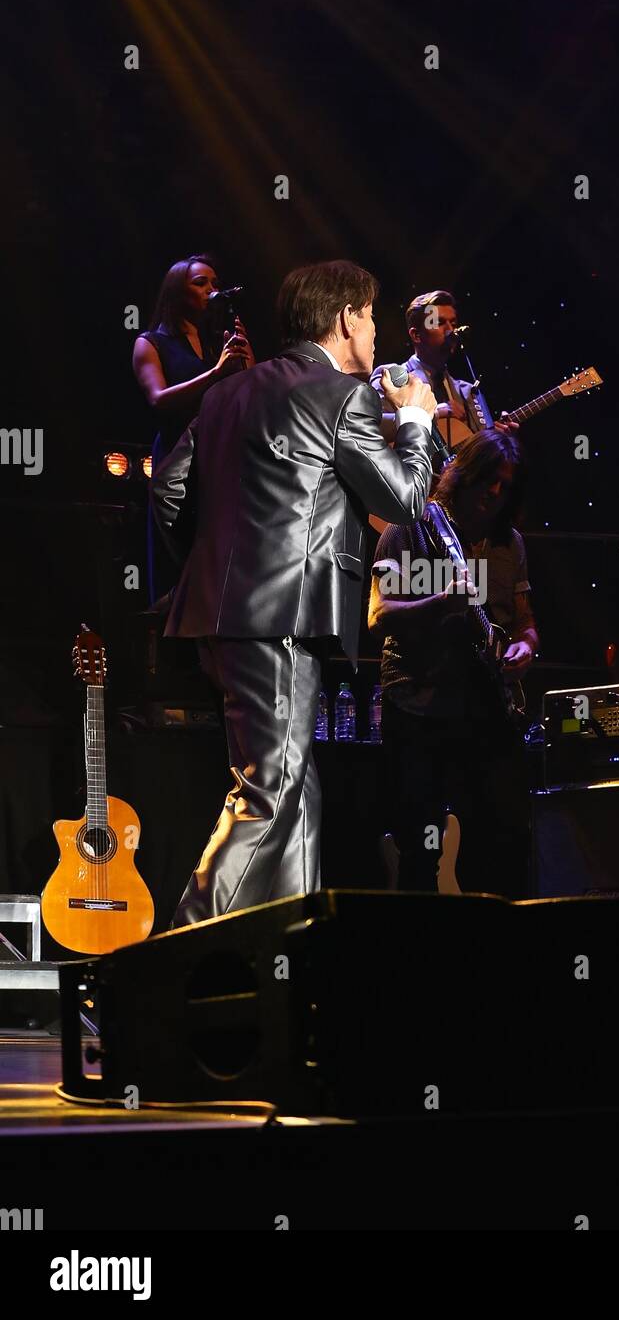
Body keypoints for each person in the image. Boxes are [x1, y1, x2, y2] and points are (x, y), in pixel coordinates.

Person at [151, 259, 437, 924]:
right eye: (369, 316)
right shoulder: (343, 394)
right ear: (345, 318)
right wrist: (418, 422)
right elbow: (404, 499)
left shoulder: (228, 393)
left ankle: (284, 962)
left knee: (296, 793)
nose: (374, 330)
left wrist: (211, 571)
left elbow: (165, 489)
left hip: (221, 618)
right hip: (281, 614)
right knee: (272, 791)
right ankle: (163, 964)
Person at [368, 429, 538, 898]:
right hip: (419, 712)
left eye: (507, 485)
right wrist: (444, 601)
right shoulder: (412, 527)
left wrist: (526, 648)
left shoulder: (510, 546)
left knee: (500, 844)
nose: (495, 492)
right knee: (421, 854)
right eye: (488, 478)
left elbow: (525, 623)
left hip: (486, 714)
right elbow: (379, 615)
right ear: (464, 474)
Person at [133, 254, 254, 603]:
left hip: (220, 455)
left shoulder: (221, 340)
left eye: (215, 283)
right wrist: (215, 373)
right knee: (183, 550)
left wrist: (244, 353)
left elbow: (253, 388)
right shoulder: (151, 343)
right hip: (177, 455)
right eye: (200, 283)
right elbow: (158, 398)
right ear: (176, 293)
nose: (211, 290)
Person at [370, 289, 519, 451]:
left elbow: (479, 458)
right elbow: (370, 425)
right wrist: (434, 413)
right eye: (439, 323)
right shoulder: (393, 376)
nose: (451, 331)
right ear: (416, 335)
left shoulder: (468, 392)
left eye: (453, 324)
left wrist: (498, 440)